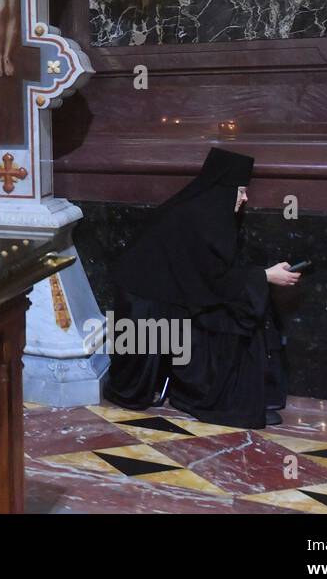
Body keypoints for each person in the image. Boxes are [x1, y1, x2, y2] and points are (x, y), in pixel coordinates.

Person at [104, 148, 300, 428]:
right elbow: (213, 280)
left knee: (245, 306)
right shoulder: (198, 216)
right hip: (147, 312)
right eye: (241, 191)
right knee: (238, 314)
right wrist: (265, 276)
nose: (245, 198)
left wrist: (259, 277)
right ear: (224, 189)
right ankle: (223, 398)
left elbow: (211, 276)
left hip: (171, 302)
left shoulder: (206, 213)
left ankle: (243, 395)